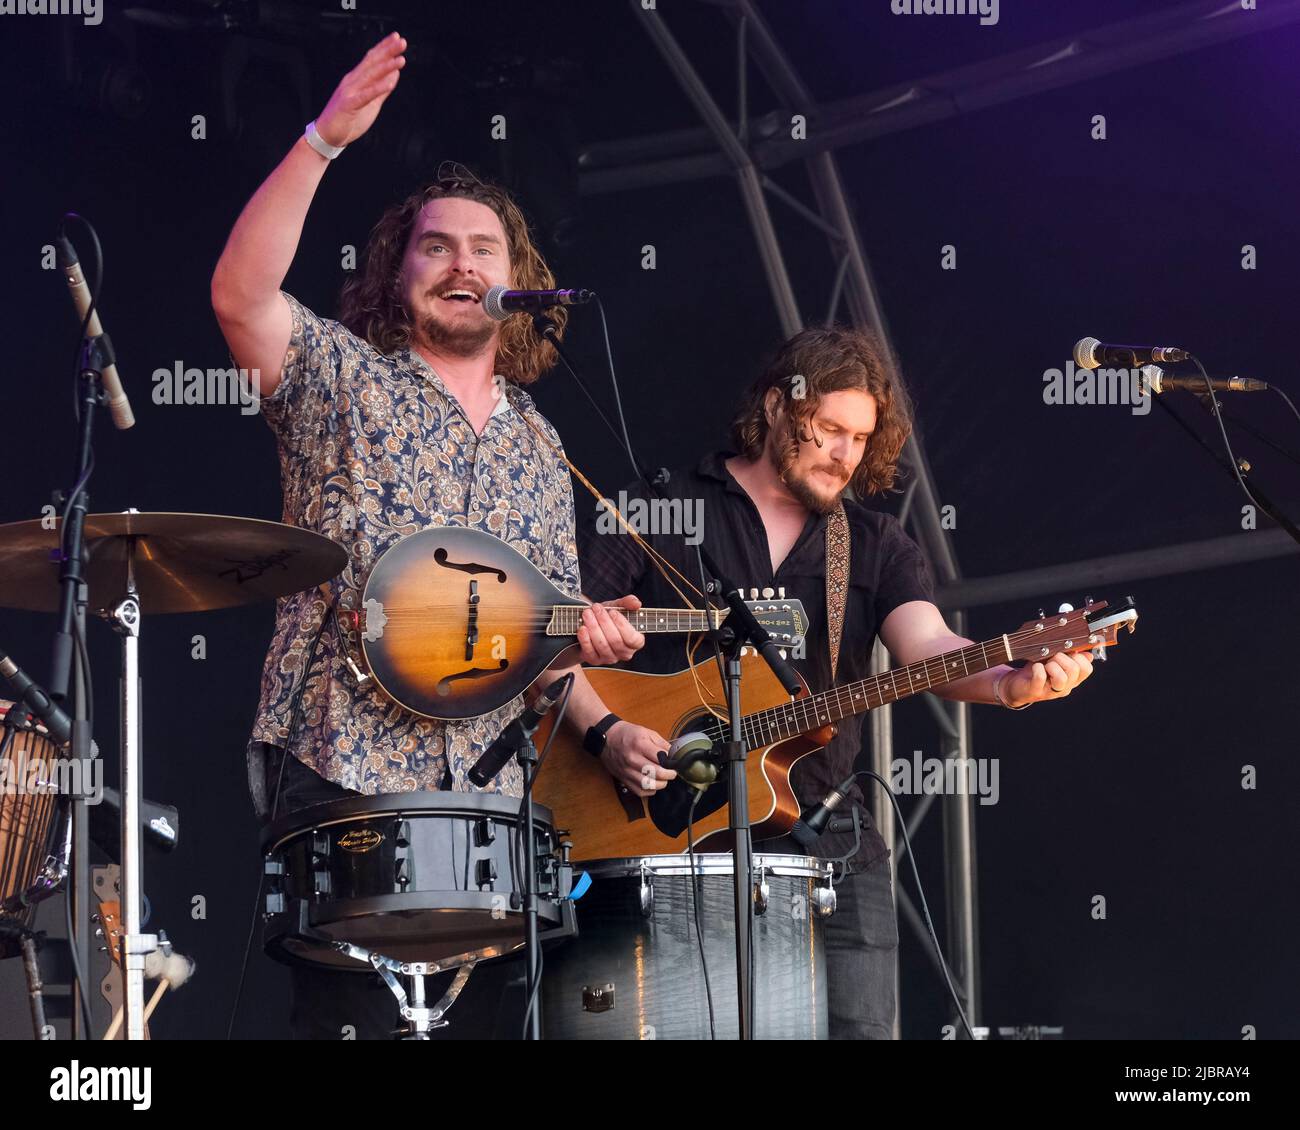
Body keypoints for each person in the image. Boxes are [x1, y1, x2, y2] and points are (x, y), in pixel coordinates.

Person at [211, 32, 646, 1039]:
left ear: (517, 280)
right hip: (346, 757)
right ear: (397, 272)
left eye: (482, 249)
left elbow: (542, 643)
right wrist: (322, 141)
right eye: (436, 246)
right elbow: (239, 297)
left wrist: (605, 712)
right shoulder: (342, 379)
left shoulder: (543, 446)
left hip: (490, 790)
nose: (460, 263)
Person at [576, 325, 1094, 1039]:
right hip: (678, 838)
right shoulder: (657, 510)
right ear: (775, 409)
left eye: (860, 437)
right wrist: (606, 733)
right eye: (828, 430)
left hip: (826, 833)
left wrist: (1012, 681)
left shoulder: (875, 543)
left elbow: (930, 648)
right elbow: (556, 647)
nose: (846, 454)